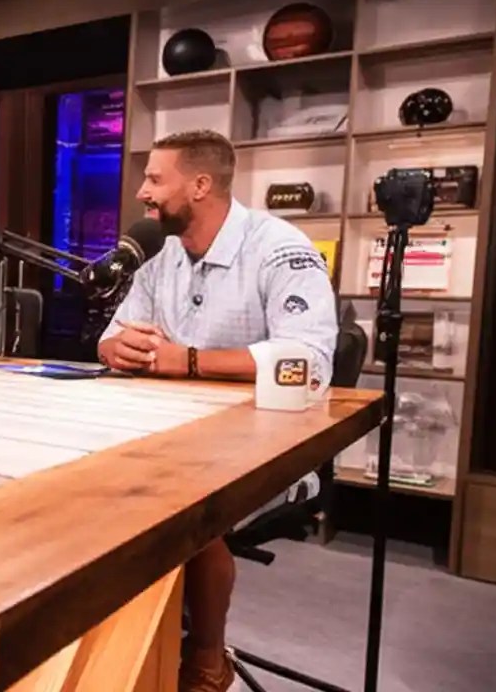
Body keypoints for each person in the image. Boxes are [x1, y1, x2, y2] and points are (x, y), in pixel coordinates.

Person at [97, 129, 337, 692]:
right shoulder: (160, 254)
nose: (141, 192)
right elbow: (116, 334)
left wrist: (193, 361)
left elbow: (311, 359)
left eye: (155, 178)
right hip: (169, 435)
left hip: (265, 448)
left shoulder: (280, 248)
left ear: (200, 185)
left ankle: (206, 660)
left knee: (174, 506)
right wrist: (113, 347)